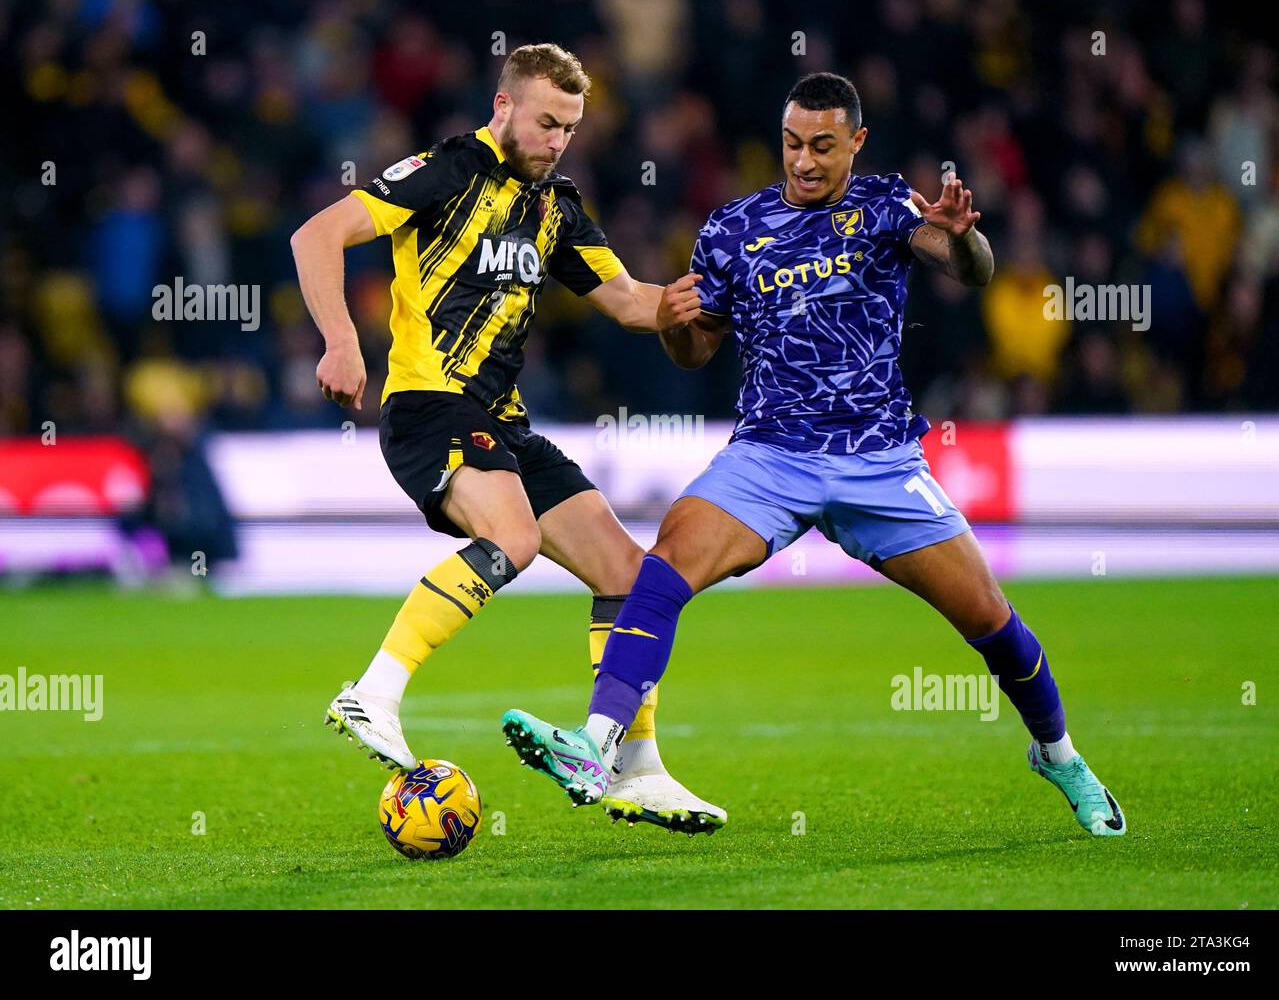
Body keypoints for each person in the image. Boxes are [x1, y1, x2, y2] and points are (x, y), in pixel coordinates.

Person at [503, 72, 1126, 838]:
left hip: (880, 461)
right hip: (770, 456)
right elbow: (695, 352)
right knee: (664, 564)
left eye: (822, 146)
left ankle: (1060, 755)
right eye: (793, 143)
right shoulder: (733, 229)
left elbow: (973, 271)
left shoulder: (885, 205)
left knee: (991, 619)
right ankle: (595, 745)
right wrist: (671, 321)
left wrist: (964, 237)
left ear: (855, 144)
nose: (803, 161)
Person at [291, 43, 725, 834]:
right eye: (546, 121)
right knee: (513, 536)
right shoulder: (444, 171)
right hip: (431, 406)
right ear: (503, 106)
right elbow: (314, 236)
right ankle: (374, 692)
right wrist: (342, 341)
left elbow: (631, 301)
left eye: (570, 127)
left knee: (631, 574)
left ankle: (637, 764)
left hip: (503, 421)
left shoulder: (557, 208)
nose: (558, 139)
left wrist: (719, 298)